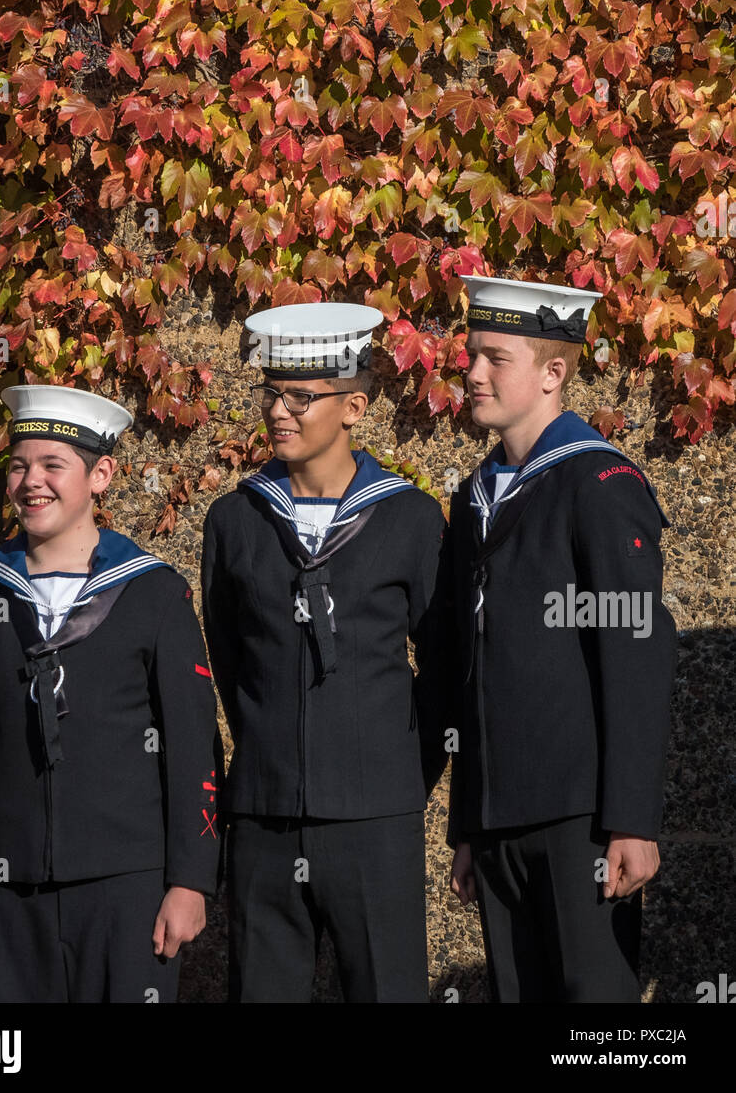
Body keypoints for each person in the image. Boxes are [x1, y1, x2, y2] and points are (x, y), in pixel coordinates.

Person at [0, 384, 222, 1003]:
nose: (32, 481)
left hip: (129, 890)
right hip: (5, 890)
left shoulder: (154, 593)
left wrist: (191, 881)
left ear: (101, 474)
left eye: (53, 465)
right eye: (18, 465)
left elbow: (195, 748)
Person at [201, 302, 450, 1003]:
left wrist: (396, 775)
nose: (279, 411)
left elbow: (440, 670)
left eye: (300, 397)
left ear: (354, 407)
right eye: (271, 393)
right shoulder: (235, 520)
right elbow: (231, 660)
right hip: (265, 818)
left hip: (376, 820)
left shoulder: (410, 518)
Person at [447, 275, 676, 1003]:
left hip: (581, 821)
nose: (473, 374)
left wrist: (631, 821)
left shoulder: (596, 483)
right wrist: (466, 822)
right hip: (499, 816)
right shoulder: (475, 497)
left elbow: (634, 656)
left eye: (495, 358)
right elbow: (468, 671)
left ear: (553, 373)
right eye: (471, 355)